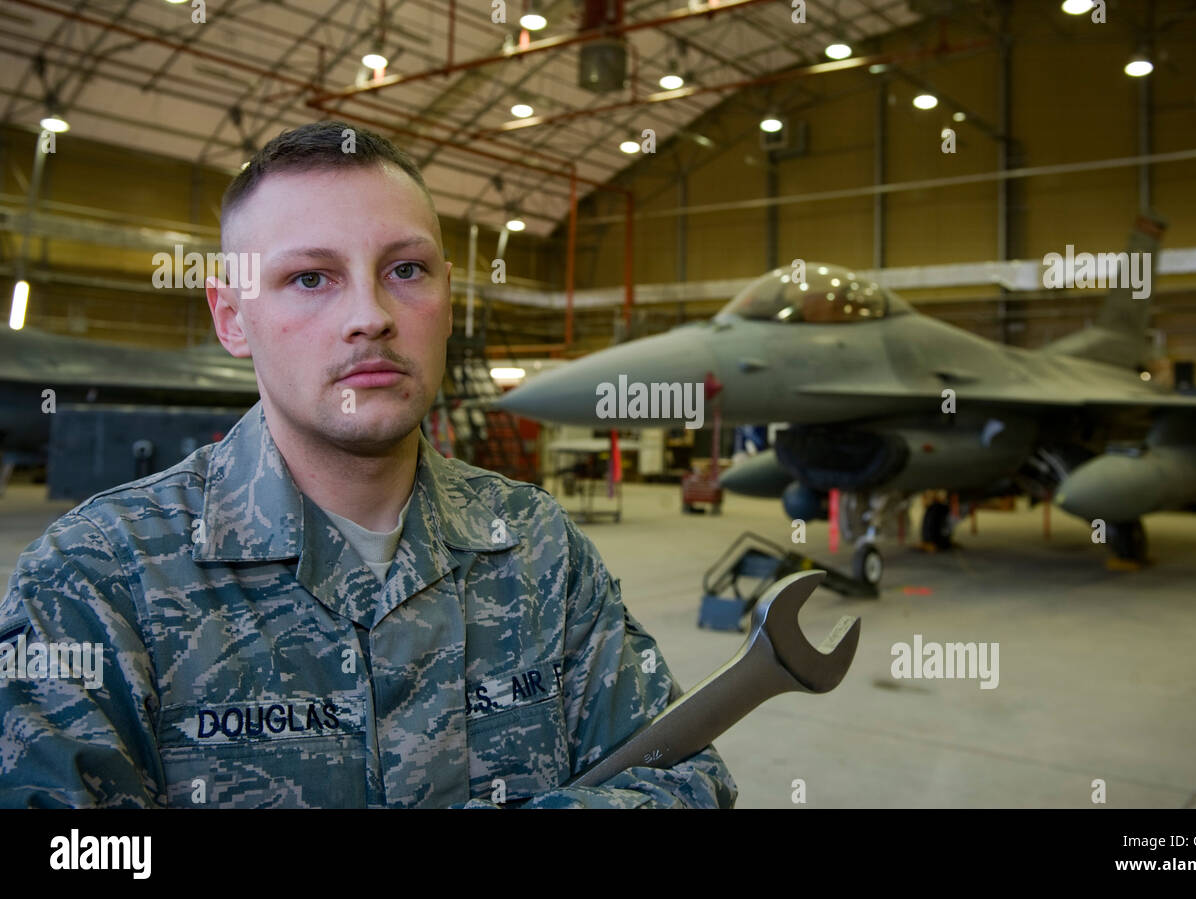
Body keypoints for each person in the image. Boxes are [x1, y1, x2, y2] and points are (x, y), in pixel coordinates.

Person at [0, 122, 737, 809]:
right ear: (231, 317)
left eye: (406, 269)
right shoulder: (96, 577)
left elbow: (687, 775)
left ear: (449, 299)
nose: (371, 314)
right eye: (311, 278)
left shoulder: (535, 545)